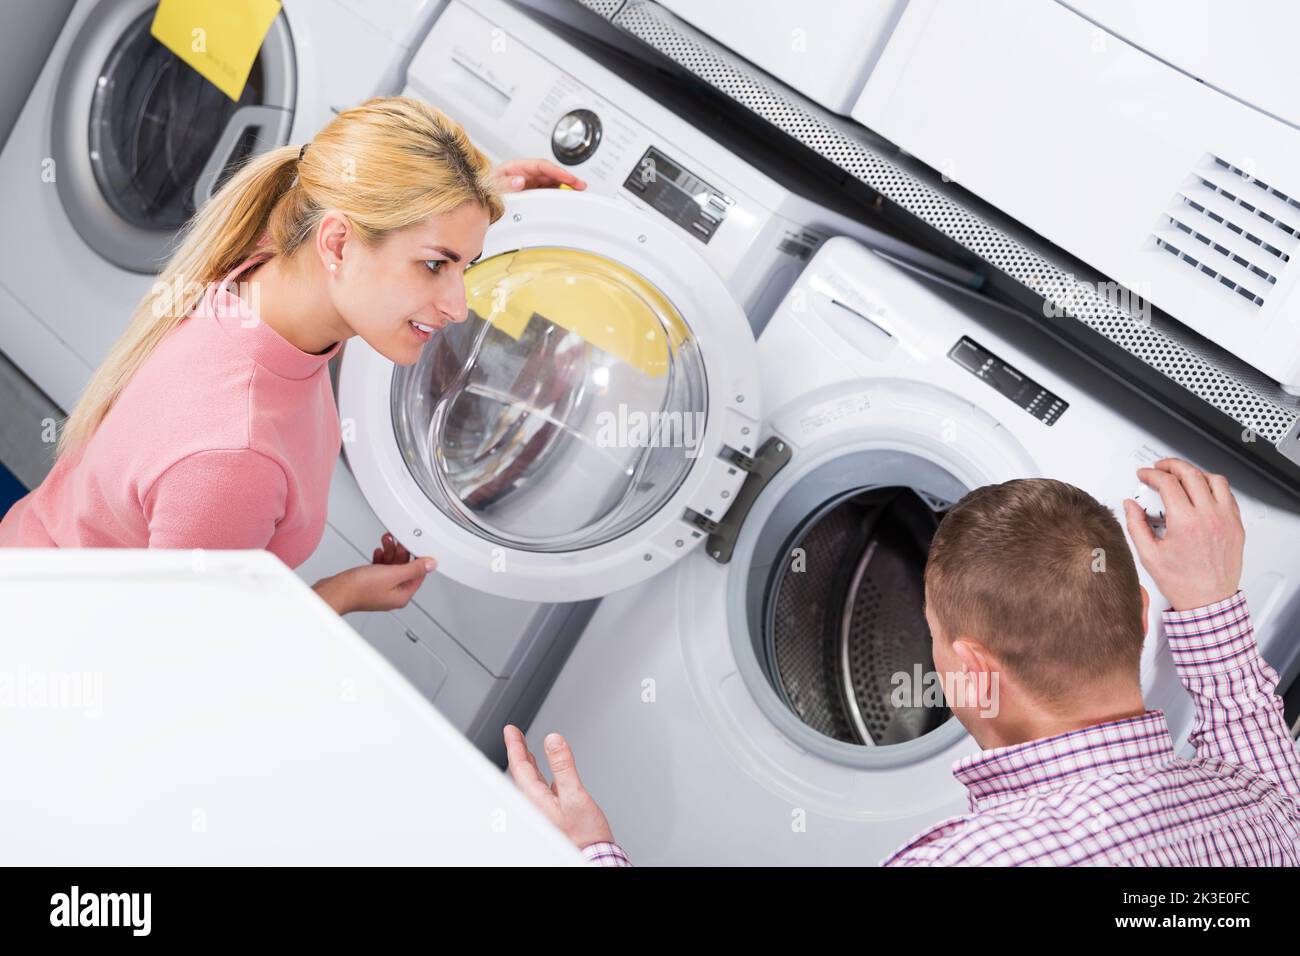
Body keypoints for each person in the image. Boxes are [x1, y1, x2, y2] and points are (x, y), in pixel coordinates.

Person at [505, 458, 1300, 865]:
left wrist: (585, 852)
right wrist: (1209, 604)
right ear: (1137, 613)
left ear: (967, 667)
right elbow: (1268, 777)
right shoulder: (1250, 815)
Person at [0, 97, 584, 615]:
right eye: (435, 265)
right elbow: (177, 675)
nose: (458, 306)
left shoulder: (262, 264)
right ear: (336, 242)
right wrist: (339, 596)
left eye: (466, 265)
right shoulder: (235, 457)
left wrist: (478, 194)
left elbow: (377, 216)